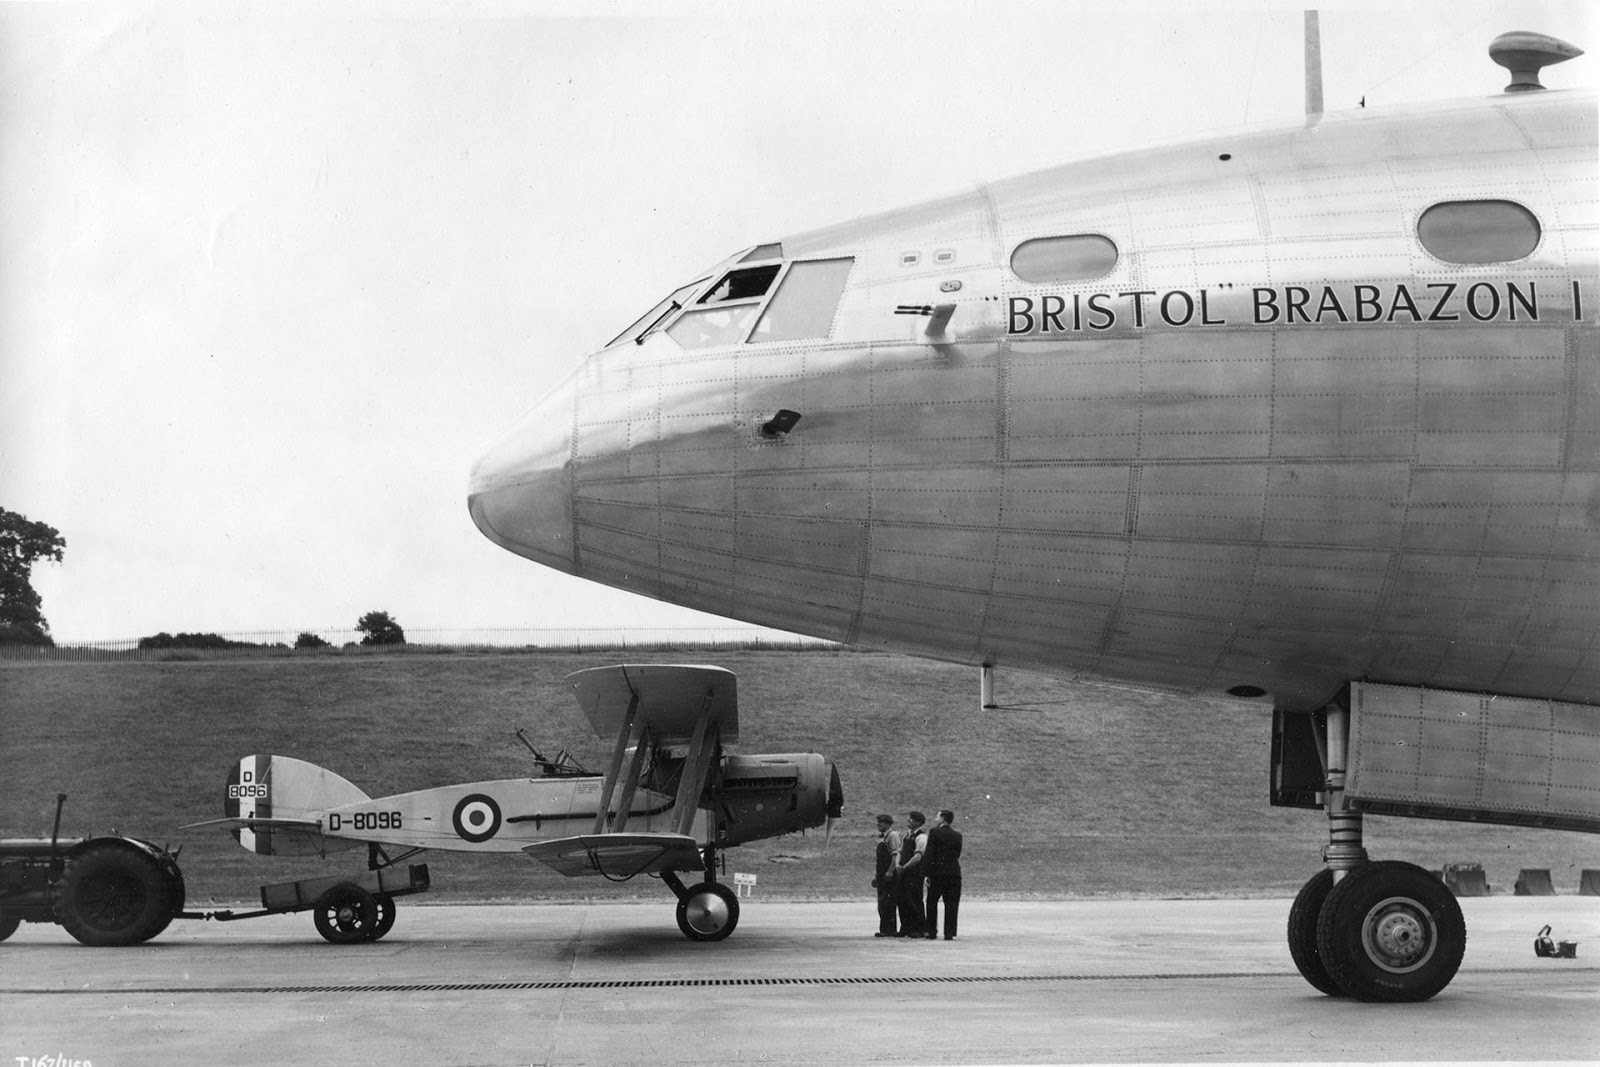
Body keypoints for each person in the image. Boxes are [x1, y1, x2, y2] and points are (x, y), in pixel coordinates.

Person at [924, 809, 963, 940]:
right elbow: (957, 854)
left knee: (931, 902)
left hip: (937, 873)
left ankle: (931, 930)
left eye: (937, 817)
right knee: (951, 904)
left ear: (942, 819)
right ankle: (949, 932)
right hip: (953, 873)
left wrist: (927, 874)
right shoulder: (958, 835)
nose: (936, 819)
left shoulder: (934, 832)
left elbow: (930, 854)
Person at [895, 810, 929, 938]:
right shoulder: (906, 836)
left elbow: (918, 856)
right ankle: (905, 928)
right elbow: (900, 852)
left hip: (914, 874)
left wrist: (905, 866)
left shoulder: (921, 837)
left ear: (919, 822)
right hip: (903, 872)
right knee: (902, 900)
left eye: (911, 819)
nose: (908, 821)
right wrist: (898, 865)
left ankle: (919, 928)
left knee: (914, 900)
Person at [871, 814, 903, 937]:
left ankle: (889, 930)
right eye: (878, 822)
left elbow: (895, 854)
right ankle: (885, 929)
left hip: (889, 876)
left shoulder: (892, 836)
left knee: (888, 902)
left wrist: (890, 871)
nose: (878, 824)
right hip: (882, 876)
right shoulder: (884, 837)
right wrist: (876, 876)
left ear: (889, 824)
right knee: (883, 903)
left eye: (882, 822)